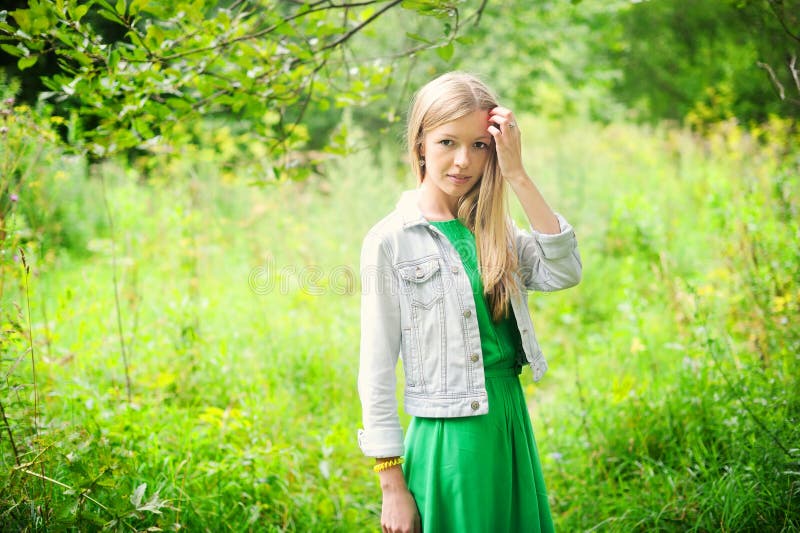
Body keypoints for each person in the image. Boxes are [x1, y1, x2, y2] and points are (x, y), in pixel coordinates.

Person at [357, 71, 582, 533]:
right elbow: (376, 370)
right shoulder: (392, 240)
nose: (463, 161)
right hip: (450, 437)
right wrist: (391, 486)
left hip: (508, 419)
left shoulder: (496, 229)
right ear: (420, 144)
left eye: (479, 145)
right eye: (446, 142)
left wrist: (516, 173)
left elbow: (563, 271)